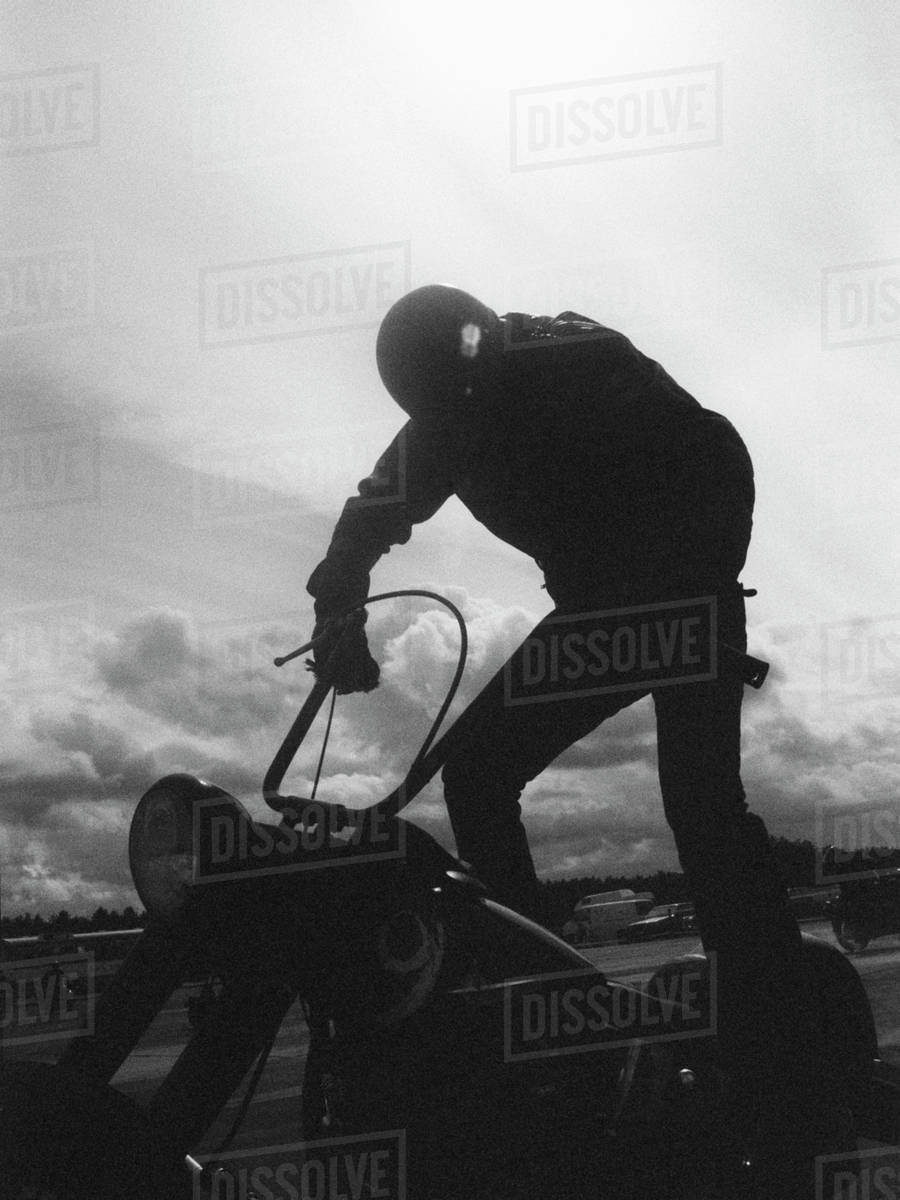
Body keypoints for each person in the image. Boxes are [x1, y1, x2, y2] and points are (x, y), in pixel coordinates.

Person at [305, 284, 838, 1194]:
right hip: (606, 602)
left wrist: (685, 585)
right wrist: (335, 604)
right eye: (445, 417)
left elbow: (715, 451)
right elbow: (372, 510)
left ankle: (776, 1031)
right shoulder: (452, 410)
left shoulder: (576, 361)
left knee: (700, 806)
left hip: (680, 588)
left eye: (463, 408)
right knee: (479, 778)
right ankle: (545, 1005)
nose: (457, 427)